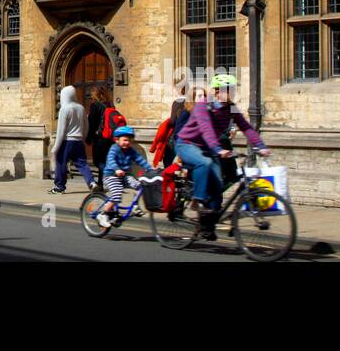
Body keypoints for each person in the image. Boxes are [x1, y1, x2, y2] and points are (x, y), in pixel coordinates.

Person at [174, 74, 268, 238]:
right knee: (205, 163)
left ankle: (207, 225)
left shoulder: (230, 107)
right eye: (227, 90)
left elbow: (246, 127)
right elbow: (206, 129)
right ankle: (197, 200)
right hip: (187, 143)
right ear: (216, 92)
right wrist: (218, 149)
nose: (231, 93)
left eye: (232, 90)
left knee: (217, 186)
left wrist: (260, 145)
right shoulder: (203, 106)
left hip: (208, 147)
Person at [97, 126, 152, 227]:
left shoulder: (130, 150)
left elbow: (140, 160)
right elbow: (111, 160)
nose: (127, 142)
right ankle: (103, 214)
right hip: (111, 176)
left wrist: (150, 169)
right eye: (125, 140)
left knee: (141, 185)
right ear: (116, 140)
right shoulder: (114, 148)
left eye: (129, 140)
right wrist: (116, 169)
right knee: (117, 194)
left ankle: (135, 206)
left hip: (125, 175)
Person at [49, 85, 97, 194]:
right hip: (78, 141)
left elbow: (61, 130)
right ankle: (92, 182)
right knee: (82, 163)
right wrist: (83, 137)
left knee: (61, 163)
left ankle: (59, 186)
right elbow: (86, 125)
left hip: (66, 141)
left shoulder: (64, 109)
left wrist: (55, 147)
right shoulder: (81, 108)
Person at [86, 87, 116, 174]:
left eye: (92, 95)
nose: (91, 96)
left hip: (99, 137)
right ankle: (101, 183)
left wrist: (88, 138)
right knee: (105, 160)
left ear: (95, 95)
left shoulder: (95, 105)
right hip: (110, 136)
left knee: (97, 161)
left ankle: (110, 177)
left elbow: (92, 123)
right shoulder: (110, 104)